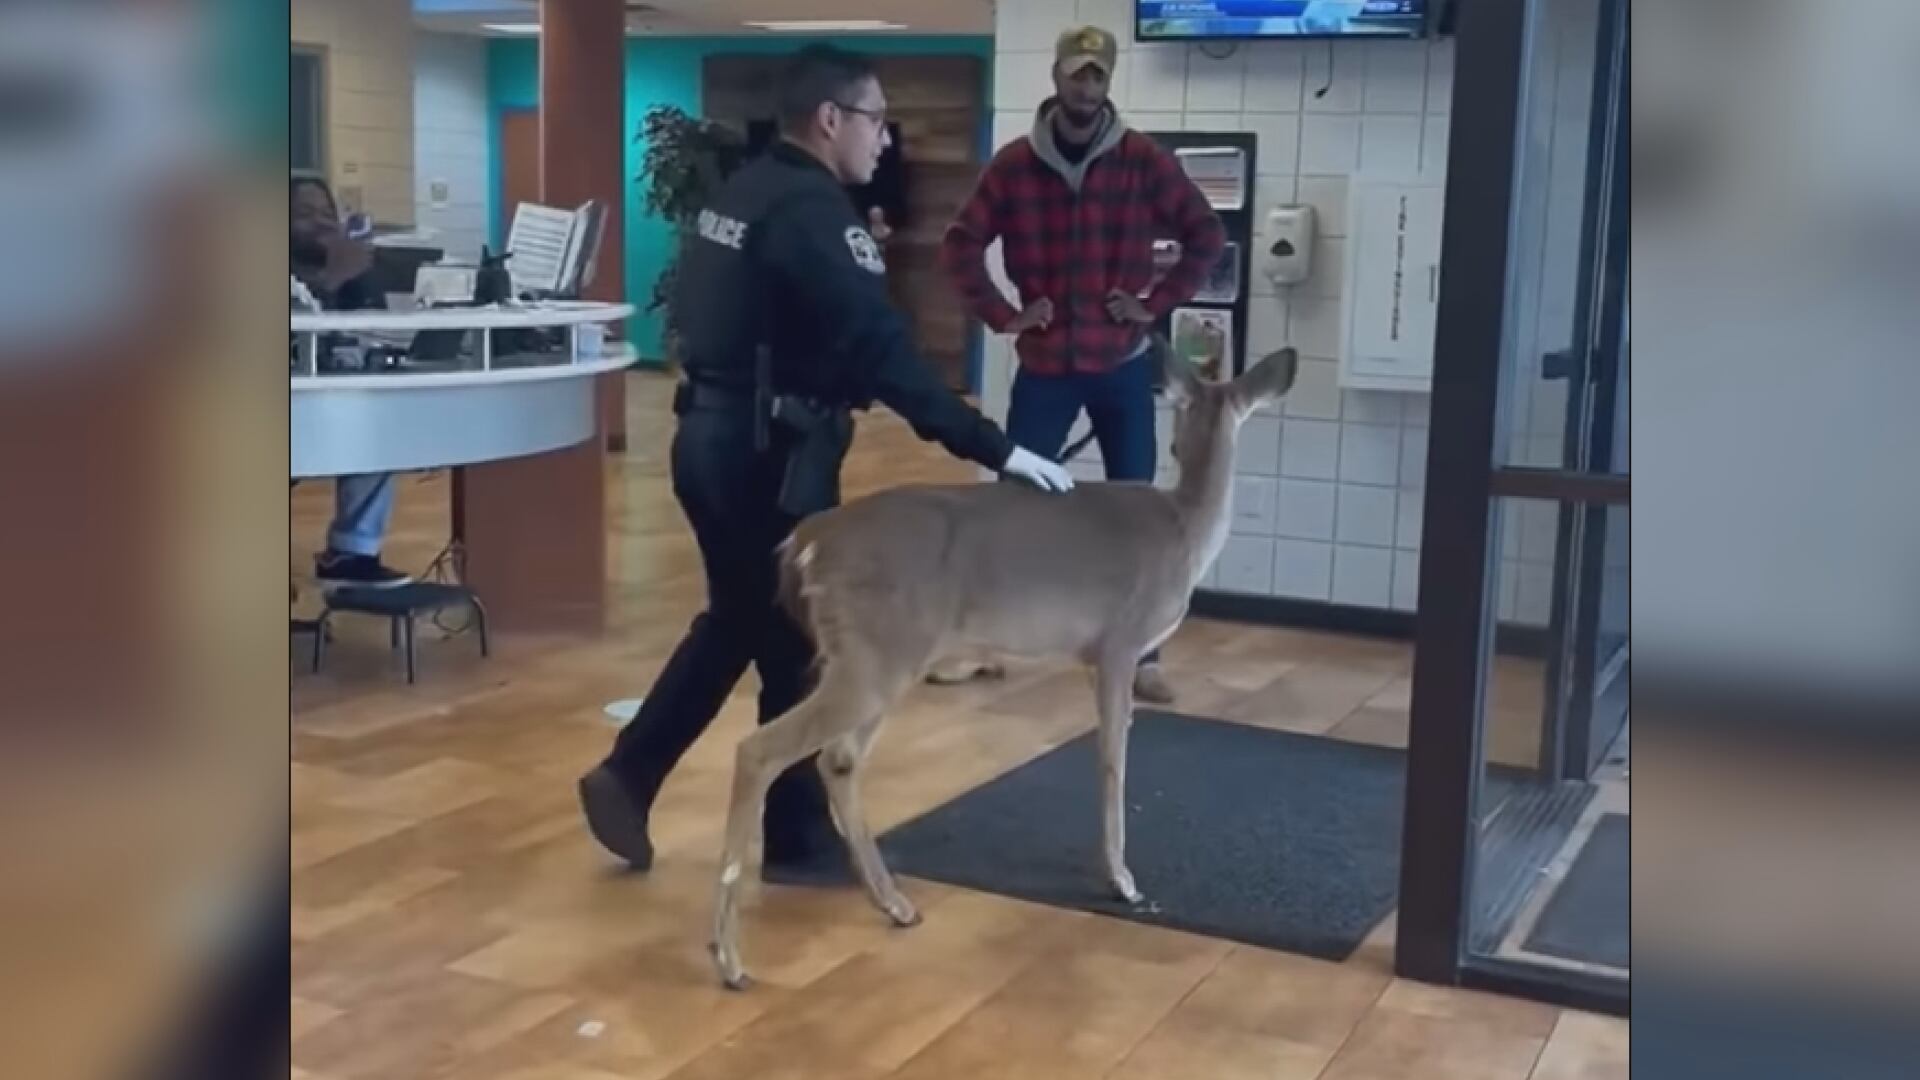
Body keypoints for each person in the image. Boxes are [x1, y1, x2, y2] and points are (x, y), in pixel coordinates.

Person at [577, 44, 1074, 884]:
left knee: (756, 625)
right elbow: (885, 353)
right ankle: (746, 820)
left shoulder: (743, 191)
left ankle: (676, 792)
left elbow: (763, 324)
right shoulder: (814, 214)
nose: (886, 138)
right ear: (830, 119)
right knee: (780, 637)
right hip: (766, 455)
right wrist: (998, 448)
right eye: (877, 118)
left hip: (712, 434)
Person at [940, 24, 1227, 704]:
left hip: (1122, 364)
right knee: (1014, 506)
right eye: (1077, 73)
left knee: (1144, 509)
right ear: (1056, 76)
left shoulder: (1142, 160)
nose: (1087, 86)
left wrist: (1154, 304)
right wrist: (1004, 316)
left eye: (1098, 75)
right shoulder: (1013, 164)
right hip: (1046, 363)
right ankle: (982, 641)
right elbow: (960, 245)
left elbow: (1205, 235)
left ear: (1109, 81)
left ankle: (1143, 654)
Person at [290, 175, 410, 589]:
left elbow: (371, 330)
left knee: (375, 431)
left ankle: (351, 553)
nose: (320, 223)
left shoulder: (344, 262)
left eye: (327, 213)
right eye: (304, 214)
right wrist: (331, 281)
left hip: (321, 401)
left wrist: (359, 274)